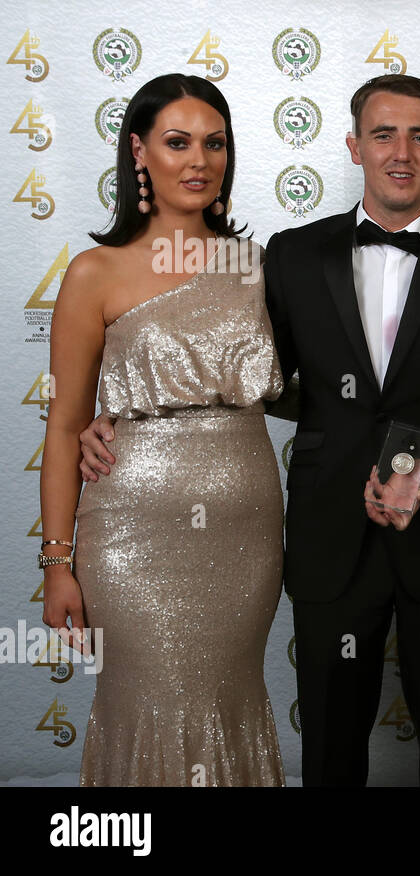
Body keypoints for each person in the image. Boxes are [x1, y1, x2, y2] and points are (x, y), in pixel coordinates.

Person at [79, 74, 420, 786]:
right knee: (329, 750)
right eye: (383, 133)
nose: (401, 152)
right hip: (330, 539)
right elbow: (254, 377)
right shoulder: (291, 256)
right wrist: (127, 414)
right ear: (354, 145)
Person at [41, 73, 284, 785]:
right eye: (177, 142)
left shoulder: (255, 266)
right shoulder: (94, 272)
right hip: (131, 535)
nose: (199, 160)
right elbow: (64, 427)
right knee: (147, 699)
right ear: (138, 151)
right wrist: (57, 563)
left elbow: (298, 384)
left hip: (246, 533)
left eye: (215, 143)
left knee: (227, 698)